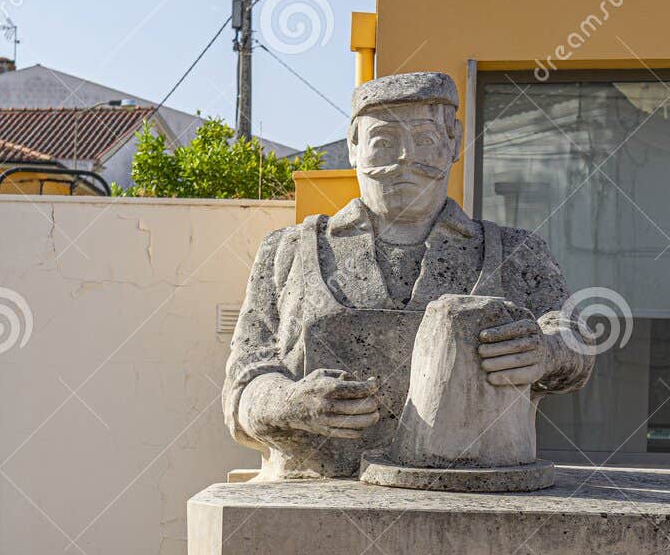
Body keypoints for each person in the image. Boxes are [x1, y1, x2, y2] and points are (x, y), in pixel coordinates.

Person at [224, 71, 591, 479]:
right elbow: (243, 387)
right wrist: (293, 402)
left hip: (464, 499)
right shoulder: (289, 250)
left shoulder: (515, 251)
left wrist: (547, 350)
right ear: (353, 146)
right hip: (315, 496)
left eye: (424, 141)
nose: (404, 161)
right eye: (383, 143)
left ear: (453, 142)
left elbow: (573, 336)